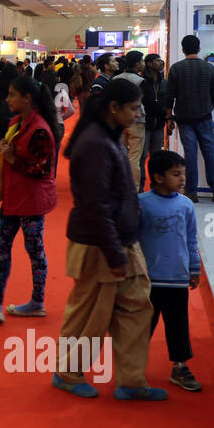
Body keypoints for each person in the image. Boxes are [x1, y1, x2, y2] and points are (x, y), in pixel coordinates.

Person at [54, 77, 167, 401]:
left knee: (136, 309)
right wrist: (115, 253)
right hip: (100, 244)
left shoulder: (109, 136)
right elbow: (95, 205)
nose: (138, 113)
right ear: (114, 108)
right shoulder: (96, 144)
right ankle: (68, 372)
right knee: (90, 315)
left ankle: (131, 380)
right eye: (133, 108)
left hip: (116, 239)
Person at [0, 75, 58, 324]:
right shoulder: (19, 121)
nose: (7, 99)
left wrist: (12, 157)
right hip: (14, 197)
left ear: (27, 98)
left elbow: (42, 169)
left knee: (34, 250)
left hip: (31, 199)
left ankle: (37, 301)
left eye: (12, 94)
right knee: (2, 247)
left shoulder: (39, 129)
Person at [139, 150, 203, 393]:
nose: (182, 179)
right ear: (157, 177)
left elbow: (191, 239)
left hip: (177, 278)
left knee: (178, 325)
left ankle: (180, 366)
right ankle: (132, 368)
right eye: (176, 174)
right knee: (143, 325)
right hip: (149, 279)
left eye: (183, 174)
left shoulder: (186, 205)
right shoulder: (142, 203)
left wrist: (194, 269)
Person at [164, 34, 214, 202]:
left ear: (183, 49)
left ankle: (191, 192)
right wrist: (207, 107)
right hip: (204, 117)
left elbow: (169, 96)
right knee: (210, 153)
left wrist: (169, 118)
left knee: (190, 155)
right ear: (199, 49)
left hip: (184, 119)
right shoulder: (208, 68)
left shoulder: (176, 69)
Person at [113, 51, 148, 190]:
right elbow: (148, 101)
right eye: (142, 61)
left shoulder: (116, 79)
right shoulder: (140, 81)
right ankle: (133, 189)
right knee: (134, 157)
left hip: (119, 120)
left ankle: (119, 185)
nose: (143, 64)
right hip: (137, 120)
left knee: (120, 154)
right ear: (137, 63)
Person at [143, 53, 168, 157]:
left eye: (161, 60)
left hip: (159, 124)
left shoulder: (163, 82)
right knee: (142, 155)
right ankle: (141, 174)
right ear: (149, 64)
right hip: (144, 124)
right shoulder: (142, 81)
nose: (161, 62)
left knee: (157, 155)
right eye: (157, 60)